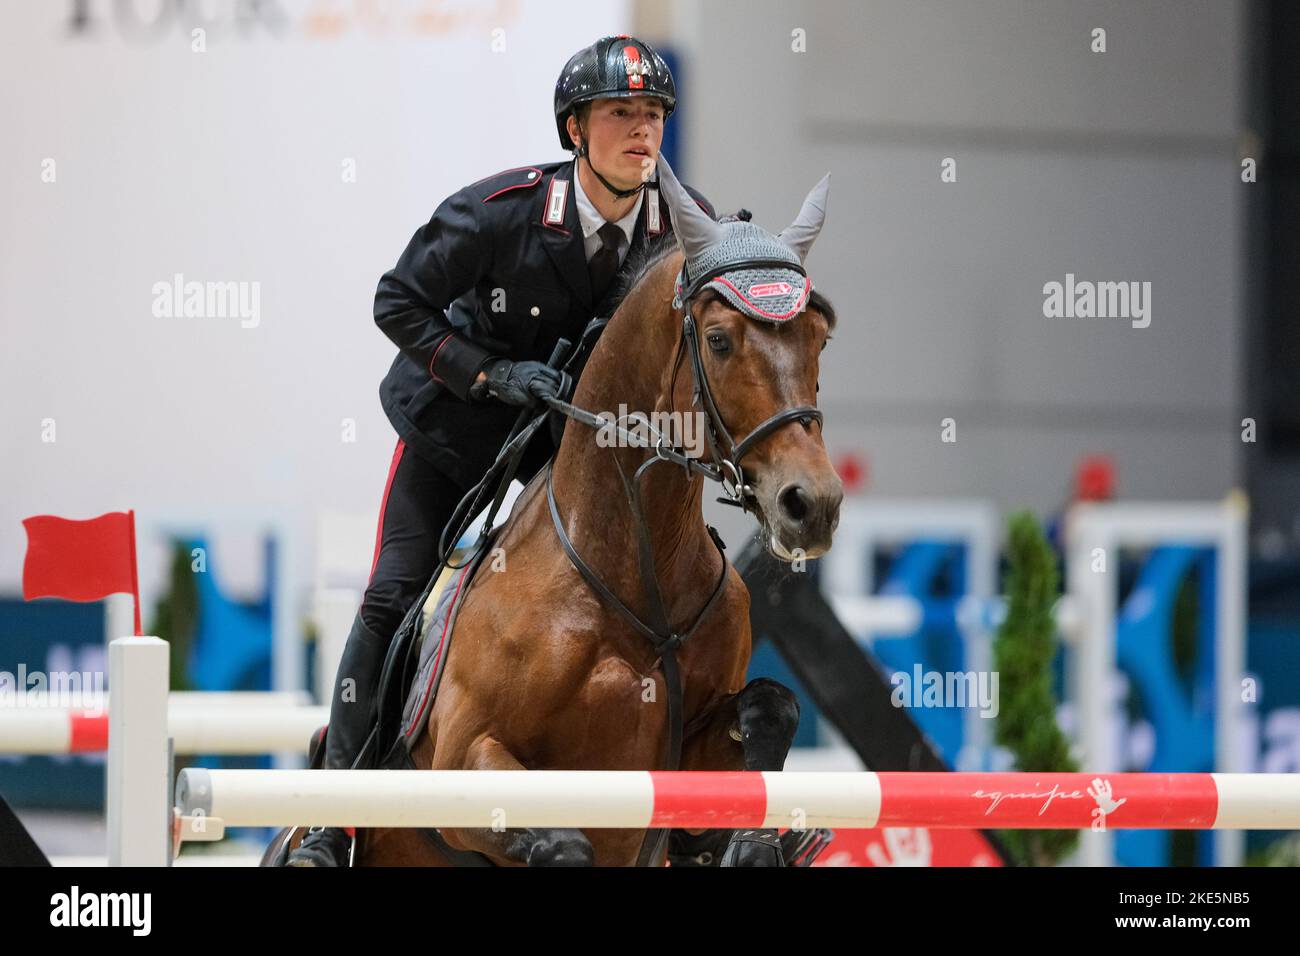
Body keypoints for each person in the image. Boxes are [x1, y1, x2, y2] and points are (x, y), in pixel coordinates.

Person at [288, 35, 716, 866]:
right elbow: (397, 300)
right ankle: (334, 818)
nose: (643, 130)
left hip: (578, 452)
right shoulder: (502, 211)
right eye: (621, 113)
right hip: (461, 431)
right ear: (574, 130)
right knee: (393, 595)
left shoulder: (682, 222)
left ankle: (705, 822)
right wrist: (487, 373)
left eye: (655, 114)